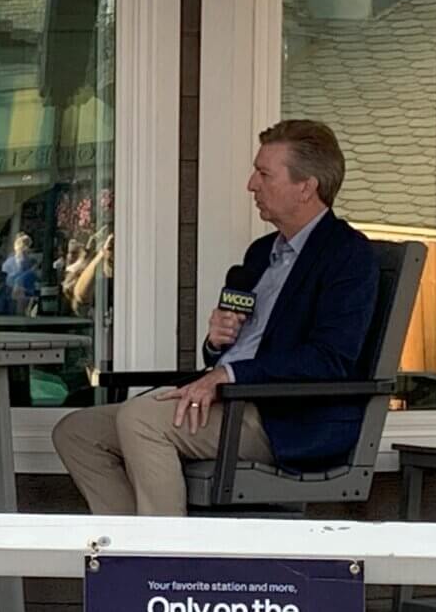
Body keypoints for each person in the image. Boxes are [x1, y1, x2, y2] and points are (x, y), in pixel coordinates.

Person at [52, 120, 379, 517]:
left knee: (142, 420)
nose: (251, 185)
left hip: (284, 417)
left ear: (306, 186)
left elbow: (331, 359)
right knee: (78, 432)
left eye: (264, 173)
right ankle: (130, 552)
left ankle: (164, 564)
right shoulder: (262, 254)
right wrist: (218, 342)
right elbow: (227, 352)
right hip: (229, 401)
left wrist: (230, 375)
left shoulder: (347, 256)